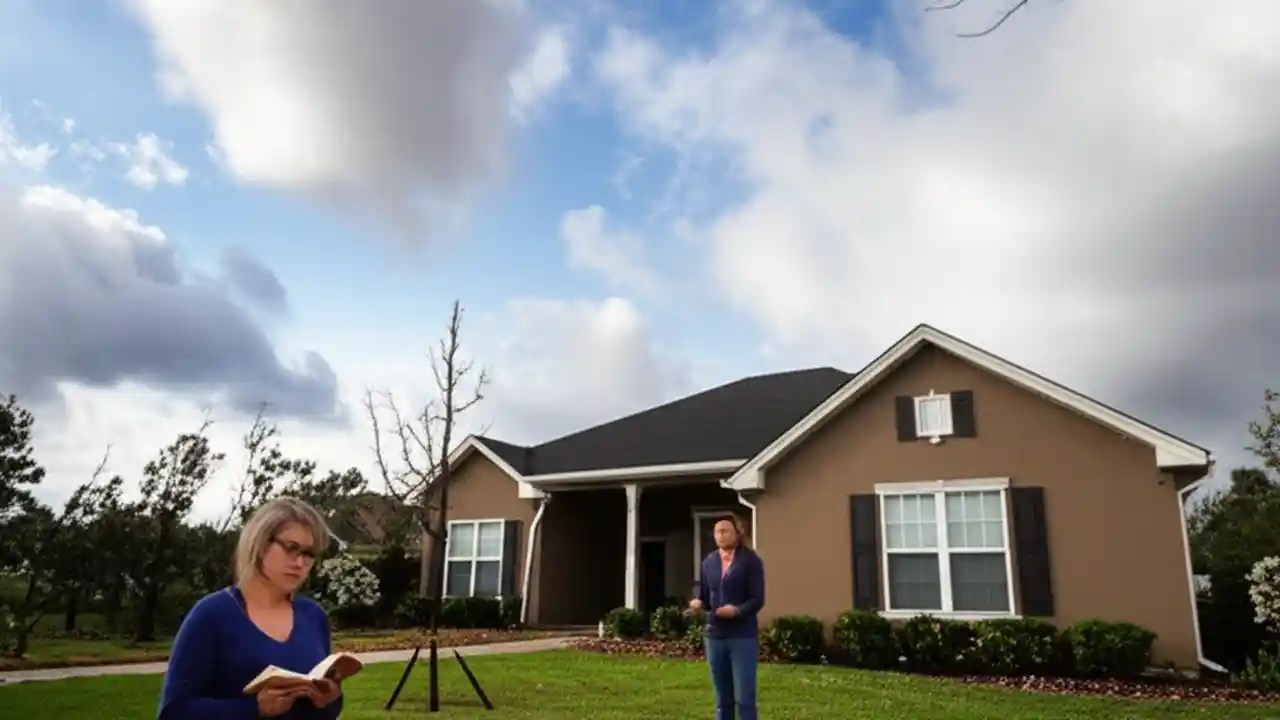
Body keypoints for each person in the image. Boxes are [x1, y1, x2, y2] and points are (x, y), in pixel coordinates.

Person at [157, 497, 345, 719]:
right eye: (291, 549)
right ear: (261, 544)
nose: (300, 563)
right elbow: (174, 712)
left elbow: (327, 710)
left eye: (309, 554)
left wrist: (331, 698)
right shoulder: (212, 615)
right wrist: (254, 709)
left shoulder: (313, 616)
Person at [688, 514, 765, 720]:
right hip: (715, 635)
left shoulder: (751, 561)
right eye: (717, 532)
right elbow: (702, 592)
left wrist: (737, 611)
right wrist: (697, 602)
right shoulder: (709, 562)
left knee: (745, 698)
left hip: (742, 636)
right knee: (723, 699)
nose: (720, 536)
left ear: (737, 534)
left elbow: (757, 599)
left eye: (725, 531)